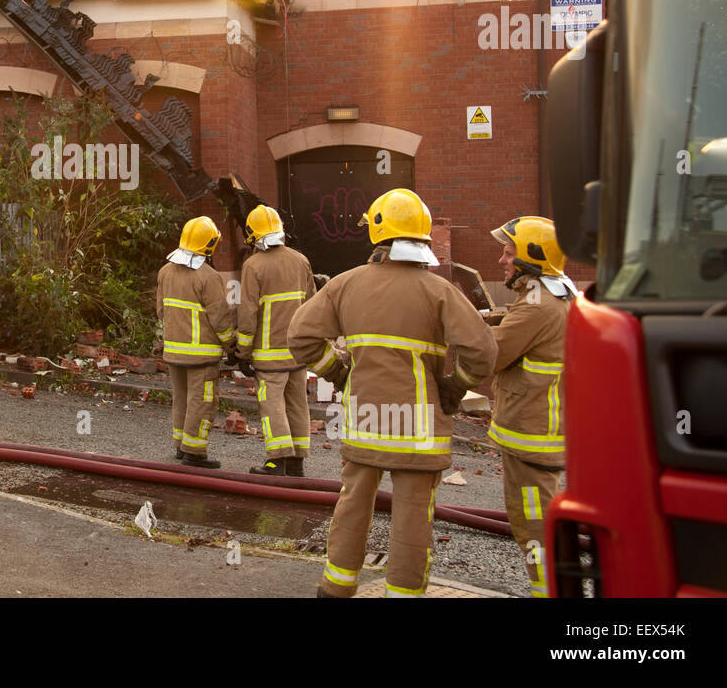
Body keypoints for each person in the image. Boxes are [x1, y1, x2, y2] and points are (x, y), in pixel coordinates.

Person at [287, 188, 497, 597]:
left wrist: (339, 372)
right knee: (414, 516)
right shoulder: (440, 291)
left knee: (353, 502)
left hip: (365, 420)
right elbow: (483, 351)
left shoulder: (345, 285)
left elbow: (300, 336)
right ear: (424, 239)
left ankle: (336, 587)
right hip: (419, 426)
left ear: (377, 234)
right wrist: (456, 385)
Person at [473, 217, 575, 598]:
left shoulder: (535, 306)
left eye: (508, 251)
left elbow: (492, 355)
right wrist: (496, 318)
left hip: (531, 434)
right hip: (545, 430)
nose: (501, 259)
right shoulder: (556, 294)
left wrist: (462, 326)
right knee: (543, 519)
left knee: (534, 524)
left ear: (531, 258)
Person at [235, 204, 315, 477]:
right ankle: (297, 462)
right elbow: (312, 305)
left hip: (269, 356)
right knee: (298, 404)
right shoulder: (300, 261)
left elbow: (247, 313)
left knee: (272, 405)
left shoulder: (253, 266)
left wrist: (242, 352)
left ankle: (276, 461)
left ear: (252, 236)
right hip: (298, 352)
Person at [157, 216, 235, 469]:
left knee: (181, 399)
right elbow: (220, 319)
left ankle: (180, 446)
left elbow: (160, 311)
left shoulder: (165, 271)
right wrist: (232, 346)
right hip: (202, 356)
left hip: (173, 352)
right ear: (209, 245)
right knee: (201, 402)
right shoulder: (208, 277)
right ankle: (195, 452)